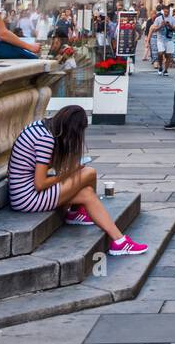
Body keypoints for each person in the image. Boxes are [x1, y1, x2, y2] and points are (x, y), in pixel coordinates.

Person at [8, 105, 147, 255]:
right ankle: (89, 221)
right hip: (26, 198)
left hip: (22, 192)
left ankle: (118, 240)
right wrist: (68, 173)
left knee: (87, 193)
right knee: (88, 173)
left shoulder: (41, 126)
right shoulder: (46, 140)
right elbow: (40, 184)